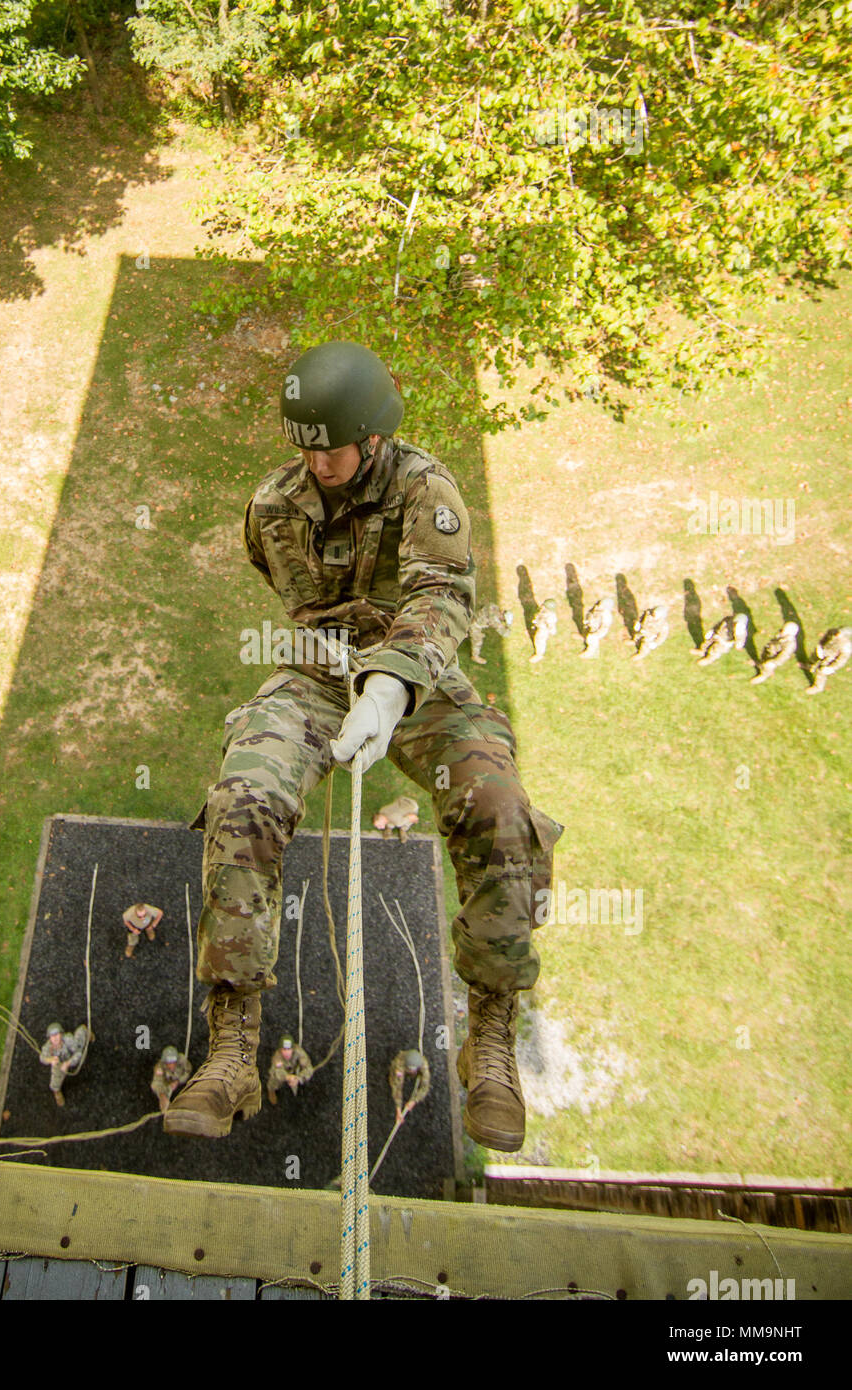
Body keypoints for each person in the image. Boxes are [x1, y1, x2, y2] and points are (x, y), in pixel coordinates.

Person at [164, 340, 563, 1153]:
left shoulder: (425, 488)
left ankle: (489, 1030)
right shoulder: (273, 503)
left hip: (414, 683)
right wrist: (336, 672)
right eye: (302, 444)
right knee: (243, 802)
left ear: (373, 437)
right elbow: (283, 589)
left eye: (329, 444)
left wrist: (388, 684)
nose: (314, 459)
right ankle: (234, 1043)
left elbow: (441, 593)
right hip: (314, 677)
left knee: (500, 810)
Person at [39, 1022, 89, 1107]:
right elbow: (42, 1058)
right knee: (56, 1079)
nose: (55, 1038)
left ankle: (86, 1032)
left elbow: (78, 1053)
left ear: (61, 1034)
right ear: (49, 1038)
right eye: (52, 1036)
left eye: (57, 1034)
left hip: (71, 1058)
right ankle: (57, 1091)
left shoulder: (68, 1039)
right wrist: (50, 1060)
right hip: (59, 1065)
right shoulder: (47, 1047)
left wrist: (68, 1063)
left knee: (81, 1042)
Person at [266, 1034, 313, 1104]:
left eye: (289, 1049)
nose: (286, 1053)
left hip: (294, 1069)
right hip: (283, 1071)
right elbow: (275, 1071)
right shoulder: (277, 1056)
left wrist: (298, 1078)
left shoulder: (299, 1052)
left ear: (293, 1049)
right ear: (280, 1050)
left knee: (306, 1077)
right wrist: (286, 1077)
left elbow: (308, 1068)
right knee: (273, 1079)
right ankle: (271, 1090)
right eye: (284, 1049)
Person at [389, 1048, 431, 1125]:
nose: (412, 1071)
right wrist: (398, 1110)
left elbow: (425, 1087)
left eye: (413, 1070)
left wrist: (414, 1100)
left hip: (416, 1069)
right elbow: (397, 1088)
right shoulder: (399, 1065)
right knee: (393, 1080)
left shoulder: (423, 1065)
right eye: (410, 1070)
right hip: (400, 1067)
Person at [151, 1045, 193, 1113]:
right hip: (167, 1085)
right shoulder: (160, 1067)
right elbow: (156, 1083)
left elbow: (188, 1071)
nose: (171, 1065)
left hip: (182, 1084)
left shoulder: (182, 1060)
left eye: (173, 1062)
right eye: (168, 1063)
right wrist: (162, 1095)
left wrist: (178, 1081)